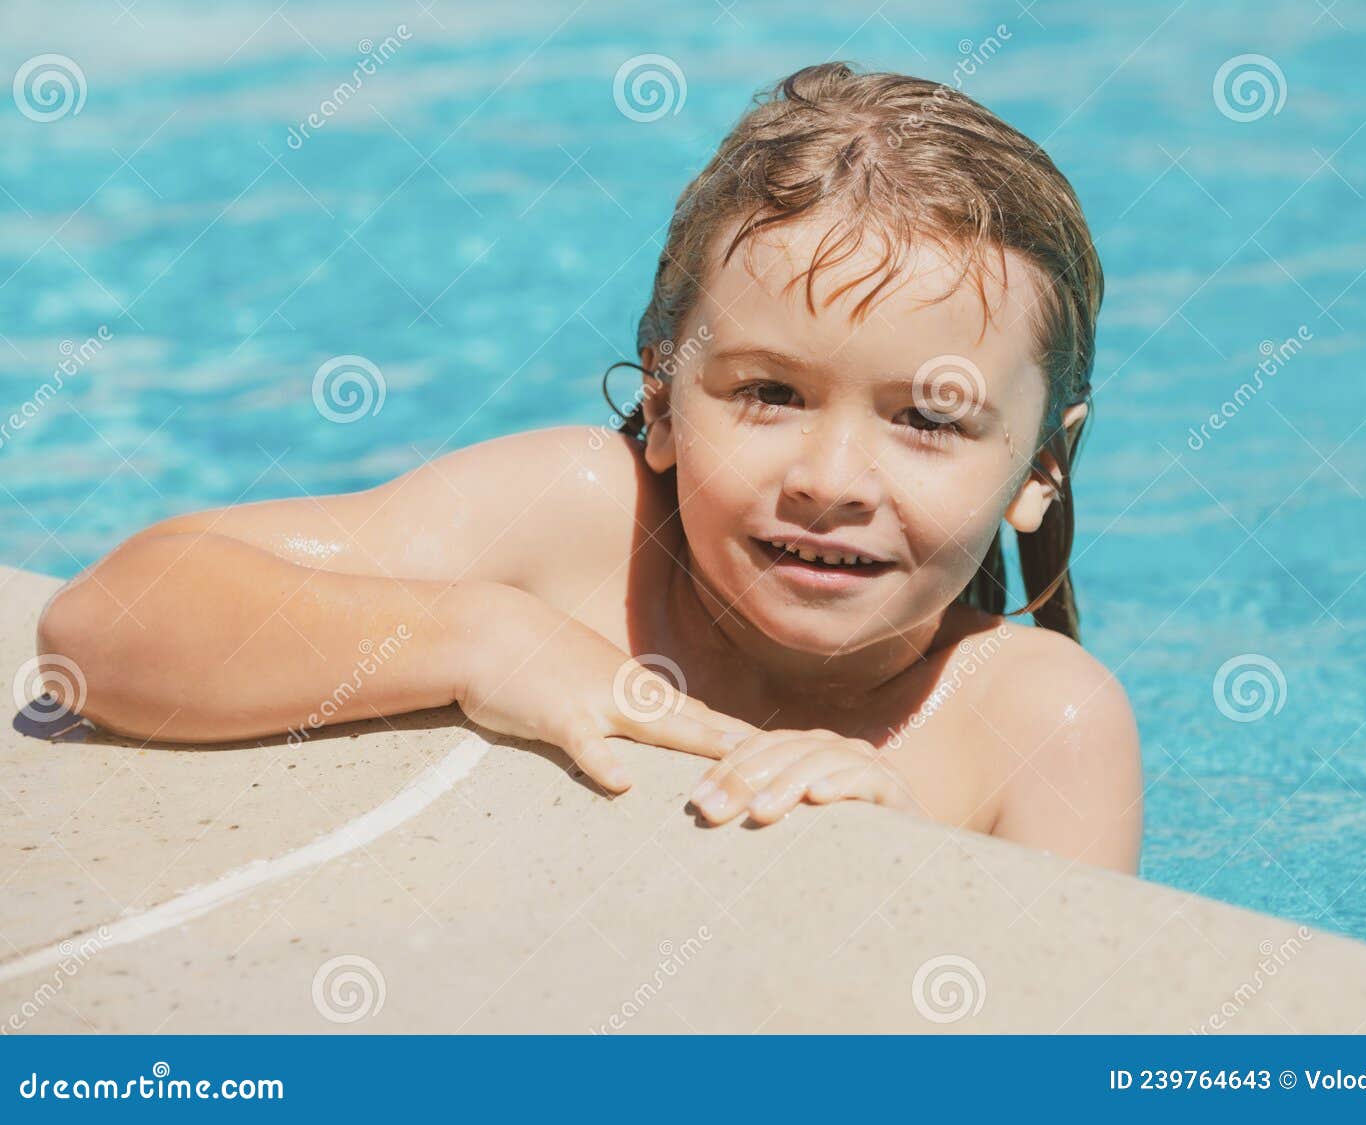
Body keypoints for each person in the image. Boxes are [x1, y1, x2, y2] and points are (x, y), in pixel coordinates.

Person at [35, 63, 1142, 874]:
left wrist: (905, 873)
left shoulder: (1037, 723)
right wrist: (482, 637)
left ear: (1042, 466)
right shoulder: (571, 525)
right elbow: (104, 627)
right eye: (767, 392)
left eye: (928, 419)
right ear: (661, 403)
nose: (833, 476)